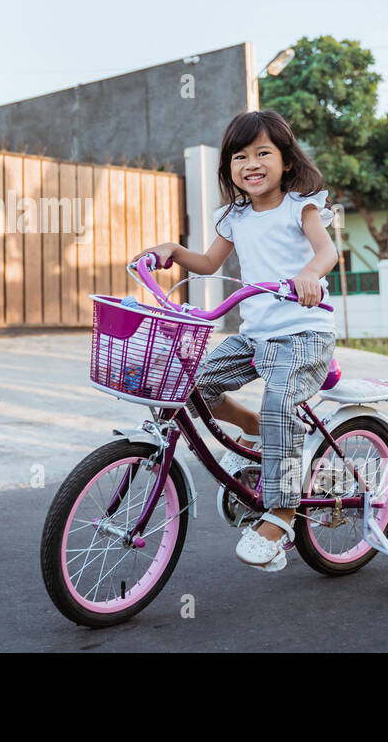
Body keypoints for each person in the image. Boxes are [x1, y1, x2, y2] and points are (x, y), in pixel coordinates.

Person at [133, 110, 338, 572]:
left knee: (280, 401)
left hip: (304, 331)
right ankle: (267, 432)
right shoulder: (235, 215)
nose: (251, 163)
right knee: (190, 385)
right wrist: (171, 250)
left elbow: (327, 251)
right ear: (228, 168)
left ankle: (282, 513)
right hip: (255, 335)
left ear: (285, 160)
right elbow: (206, 263)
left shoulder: (299, 205)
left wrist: (308, 275)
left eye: (263, 152)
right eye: (239, 156)